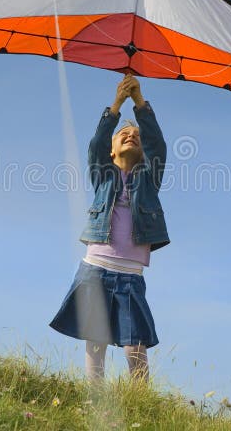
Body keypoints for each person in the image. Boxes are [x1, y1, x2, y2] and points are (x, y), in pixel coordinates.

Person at [49, 73, 170, 384]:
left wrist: (139, 101)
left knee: (135, 343)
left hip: (130, 274)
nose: (132, 136)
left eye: (137, 137)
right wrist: (117, 103)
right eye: (124, 135)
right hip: (96, 267)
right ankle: (95, 396)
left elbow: (157, 143)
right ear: (112, 151)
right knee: (96, 339)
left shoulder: (149, 177)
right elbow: (97, 142)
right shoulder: (103, 174)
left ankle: (141, 400)